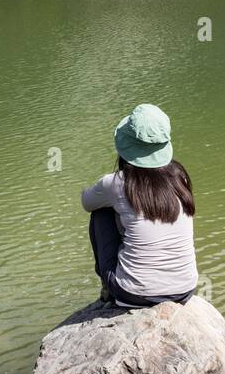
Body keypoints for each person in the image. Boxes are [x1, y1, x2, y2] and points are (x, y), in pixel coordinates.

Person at [81, 104, 198, 308]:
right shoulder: (180, 178)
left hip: (133, 293)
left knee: (100, 212)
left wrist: (95, 189)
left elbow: (86, 202)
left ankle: (108, 289)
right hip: (185, 289)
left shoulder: (115, 183)